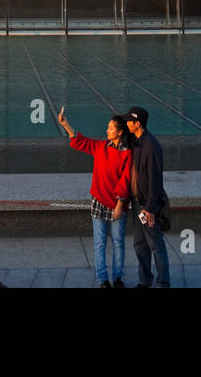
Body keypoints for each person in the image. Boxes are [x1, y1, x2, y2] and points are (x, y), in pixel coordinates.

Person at [57, 106, 133, 288]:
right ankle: (103, 279)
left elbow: (126, 179)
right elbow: (80, 141)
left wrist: (120, 204)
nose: (106, 130)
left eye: (110, 128)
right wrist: (65, 124)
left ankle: (118, 278)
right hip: (99, 201)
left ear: (120, 132)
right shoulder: (101, 147)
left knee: (118, 243)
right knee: (100, 244)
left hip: (117, 204)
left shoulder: (126, 153)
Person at [123, 105, 170, 288]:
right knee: (139, 244)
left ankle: (163, 283)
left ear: (137, 123)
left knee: (156, 245)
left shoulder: (151, 146)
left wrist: (150, 208)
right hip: (136, 202)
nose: (126, 123)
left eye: (129, 120)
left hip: (147, 204)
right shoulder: (135, 141)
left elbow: (156, 181)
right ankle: (145, 280)